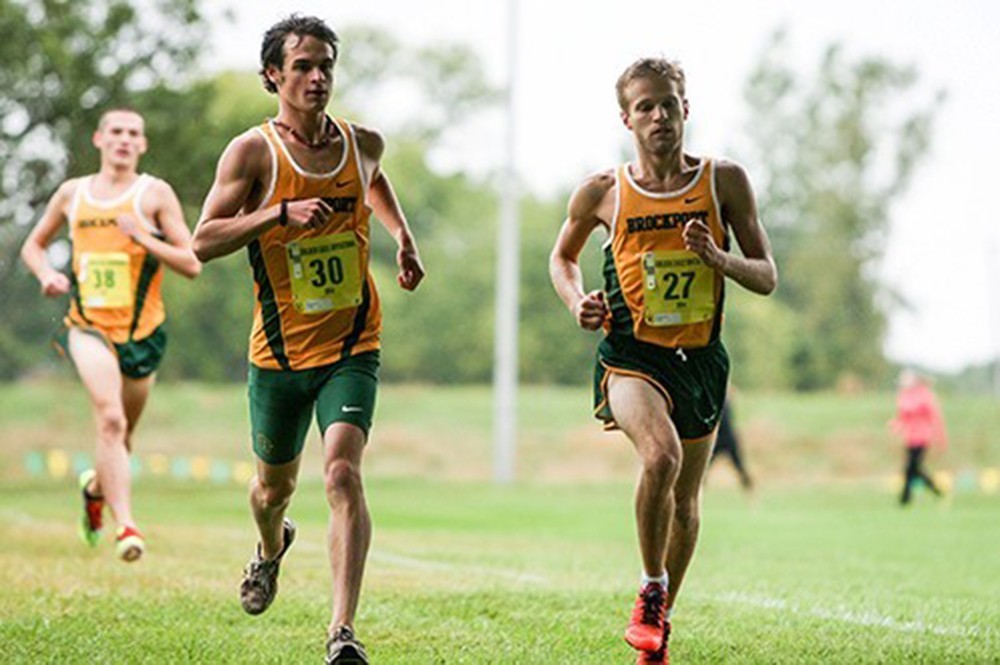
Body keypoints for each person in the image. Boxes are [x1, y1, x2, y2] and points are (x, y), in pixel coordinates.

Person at [192, 15, 424, 664]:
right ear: (274, 75)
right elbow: (202, 239)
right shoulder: (253, 153)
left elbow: (373, 180)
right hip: (279, 354)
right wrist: (277, 213)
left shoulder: (362, 142)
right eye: (302, 66)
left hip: (353, 343)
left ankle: (341, 631)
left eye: (326, 65)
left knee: (343, 474)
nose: (318, 76)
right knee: (272, 490)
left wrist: (404, 238)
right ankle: (271, 546)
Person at [549, 57, 777, 664]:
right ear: (626, 117)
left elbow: (767, 275)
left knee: (686, 501)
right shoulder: (603, 191)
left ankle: (660, 622)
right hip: (631, 357)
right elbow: (562, 259)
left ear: (685, 110)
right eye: (645, 106)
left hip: (701, 359)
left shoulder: (724, 182)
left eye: (668, 104)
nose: (658, 116)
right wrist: (577, 303)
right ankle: (651, 589)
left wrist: (719, 258)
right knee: (661, 456)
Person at [20, 108, 201, 562]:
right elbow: (33, 245)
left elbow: (191, 262)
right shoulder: (72, 194)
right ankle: (128, 527)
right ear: (100, 139)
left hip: (143, 332)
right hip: (88, 327)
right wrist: (46, 274)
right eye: (116, 132)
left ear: (142, 144)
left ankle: (96, 487)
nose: (124, 139)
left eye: (133, 133)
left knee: (121, 439)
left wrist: (143, 237)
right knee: (111, 420)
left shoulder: (154, 194)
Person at [890, 369, 947, 505]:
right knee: (914, 468)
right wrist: (895, 426)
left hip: (923, 436)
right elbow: (903, 417)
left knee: (911, 467)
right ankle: (935, 490)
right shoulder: (903, 396)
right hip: (910, 437)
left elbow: (934, 417)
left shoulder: (925, 395)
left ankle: (906, 498)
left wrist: (939, 437)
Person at [709, 400, 754, 492]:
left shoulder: (719, 402)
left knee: (740, 468)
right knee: (740, 468)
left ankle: (750, 491)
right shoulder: (726, 402)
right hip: (725, 438)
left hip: (721, 438)